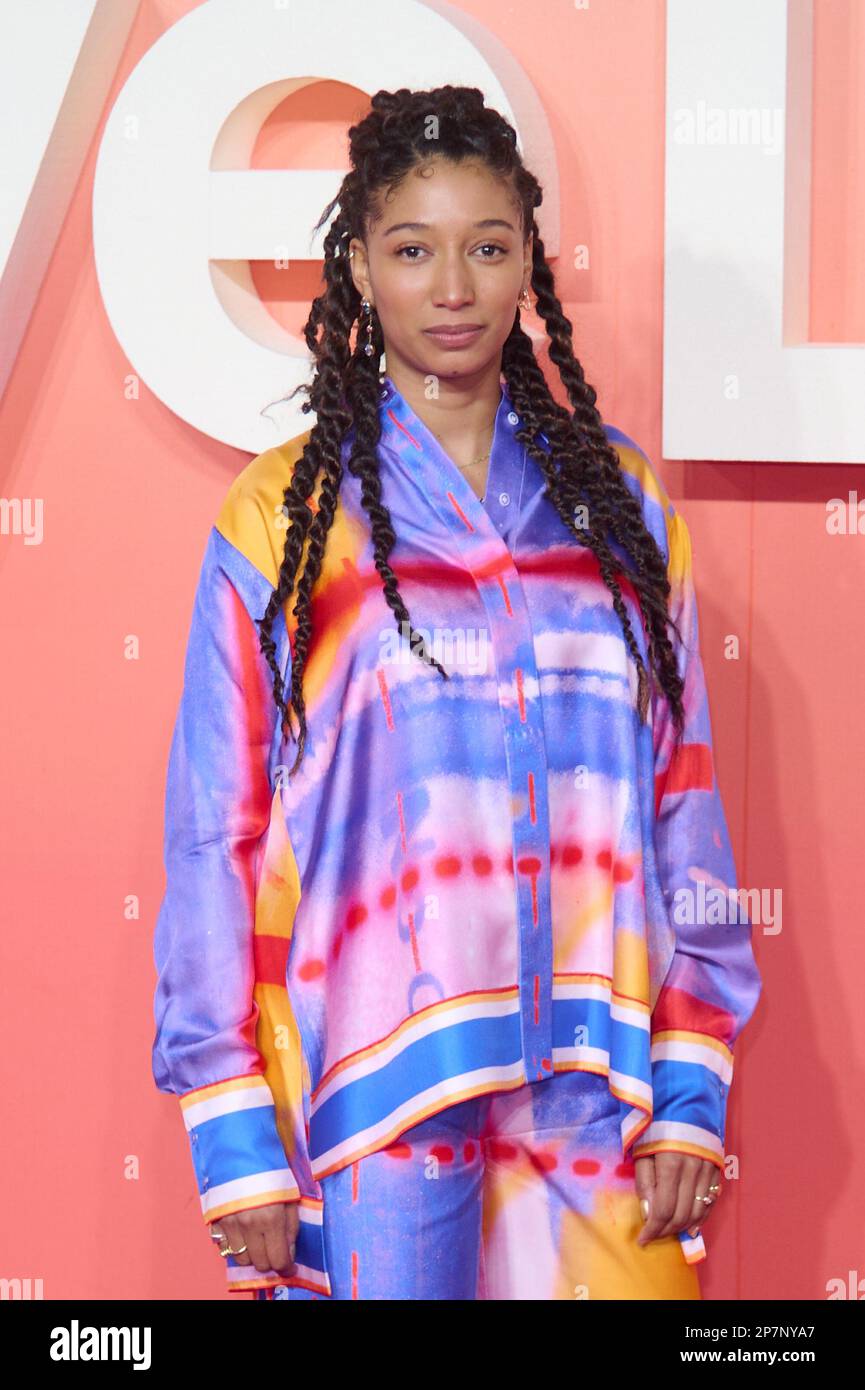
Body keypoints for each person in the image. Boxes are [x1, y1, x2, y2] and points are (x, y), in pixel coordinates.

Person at [151, 85, 762, 1300]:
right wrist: (230, 1128)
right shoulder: (283, 518)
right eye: (411, 249)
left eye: (486, 247)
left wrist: (692, 1073)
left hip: (600, 1084)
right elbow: (213, 832)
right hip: (380, 1083)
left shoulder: (621, 507)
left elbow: (679, 789)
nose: (452, 287)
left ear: (528, 257)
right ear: (361, 270)